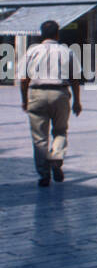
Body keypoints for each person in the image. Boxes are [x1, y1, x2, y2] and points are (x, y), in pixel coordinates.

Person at [17, 20, 82, 186]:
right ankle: (56, 157)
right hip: (60, 93)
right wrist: (76, 101)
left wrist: (25, 100)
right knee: (60, 131)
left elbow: (24, 79)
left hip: (37, 94)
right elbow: (75, 79)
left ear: (41, 34)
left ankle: (43, 175)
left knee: (39, 138)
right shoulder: (66, 51)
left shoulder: (33, 51)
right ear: (57, 34)